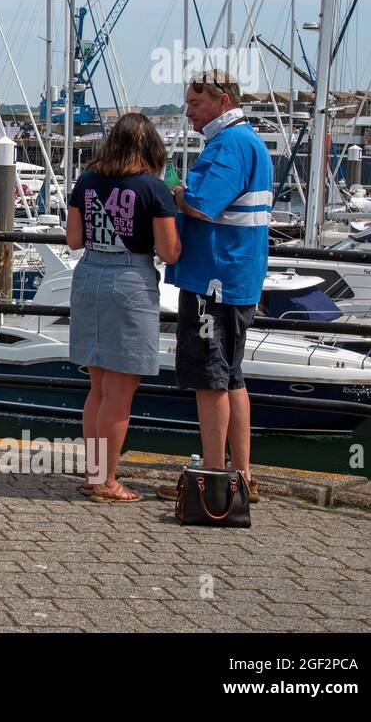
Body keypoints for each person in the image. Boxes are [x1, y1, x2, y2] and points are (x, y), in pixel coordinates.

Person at [162, 69, 272, 504]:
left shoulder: (229, 145)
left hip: (215, 279)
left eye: (195, 103)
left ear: (222, 100)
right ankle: (242, 475)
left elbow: (201, 205)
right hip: (236, 277)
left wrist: (170, 188)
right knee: (232, 377)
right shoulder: (250, 142)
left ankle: (214, 478)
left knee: (211, 380)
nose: (188, 112)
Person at [66, 112, 181, 503]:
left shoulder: (86, 181)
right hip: (129, 282)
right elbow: (168, 251)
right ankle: (106, 481)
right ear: (151, 148)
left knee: (97, 389)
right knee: (119, 394)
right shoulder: (153, 188)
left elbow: (74, 240)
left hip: (88, 276)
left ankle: (93, 474)